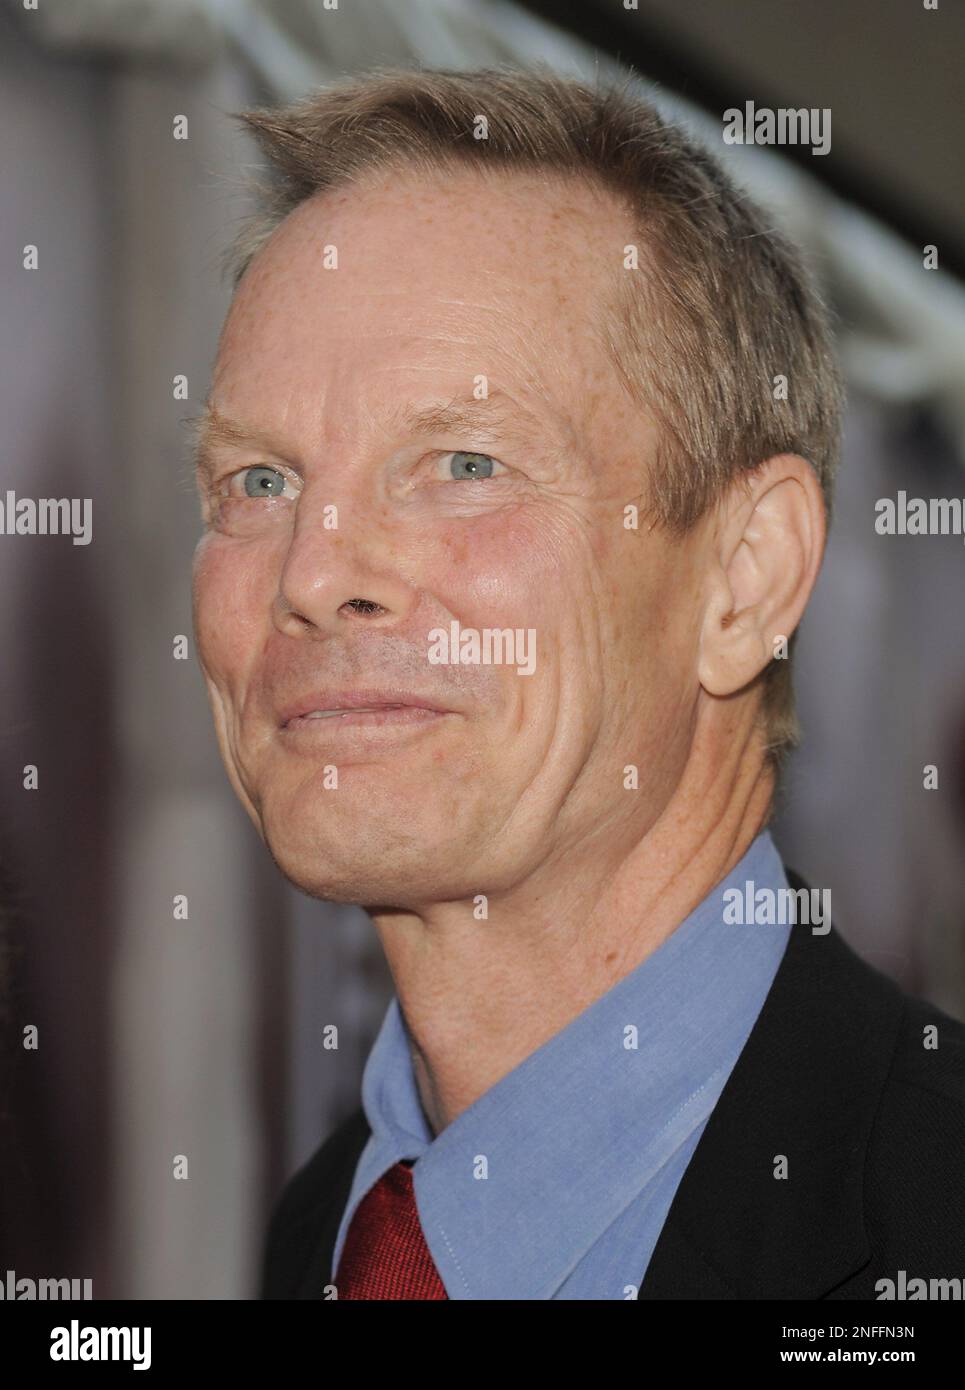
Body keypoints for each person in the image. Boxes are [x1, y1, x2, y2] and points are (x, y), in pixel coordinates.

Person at [189, 67, 965, 1300]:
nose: (314, 572)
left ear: (743, 581)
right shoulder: (329, 1237)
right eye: (260, 482)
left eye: (464, 461)